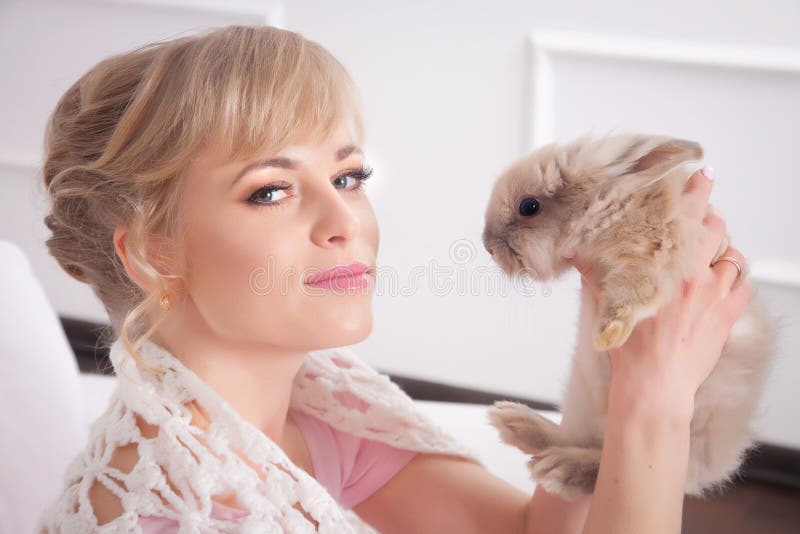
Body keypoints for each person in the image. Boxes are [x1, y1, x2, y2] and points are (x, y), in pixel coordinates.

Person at [36, 24, 751, 533]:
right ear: (155, 254)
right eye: (271, 191)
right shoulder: (176, 508)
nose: (344, 218)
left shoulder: (314, 412)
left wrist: (616, 341)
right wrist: (655, 401)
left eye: (348, 176)